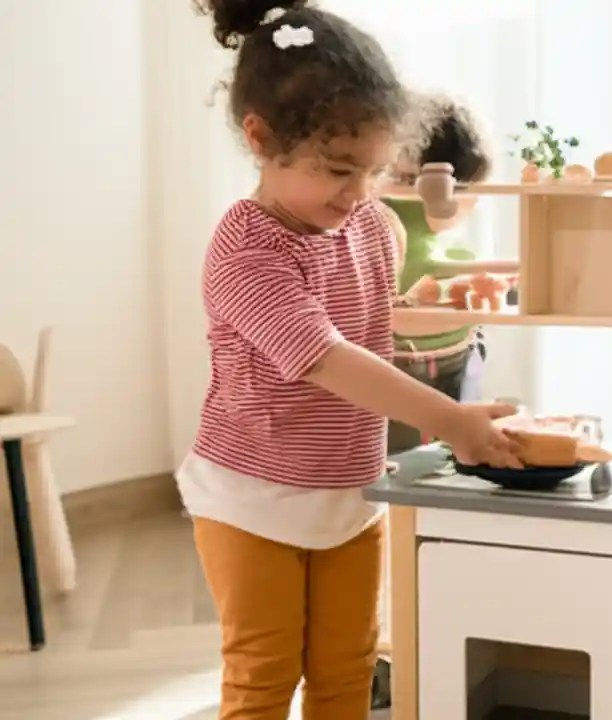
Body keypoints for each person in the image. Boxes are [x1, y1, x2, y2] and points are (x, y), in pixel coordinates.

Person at [178, 3, 519, 718]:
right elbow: (327, 356)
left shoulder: (373, 225)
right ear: (261, 139)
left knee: (348, 673)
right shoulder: (246, 252)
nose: (358, 192)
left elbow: (364, 320)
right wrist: (450, 420)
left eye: (371, 170)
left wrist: (432, 298)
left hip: (351, 492)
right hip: (251, 499)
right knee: (263, 677)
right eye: (338, 170)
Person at [379, 90, 518, 453]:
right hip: (407, 370)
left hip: (448, 363)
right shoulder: (386, 223)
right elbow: (392, 318)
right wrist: (469, 306)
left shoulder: (432, 237)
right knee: (407, 467)